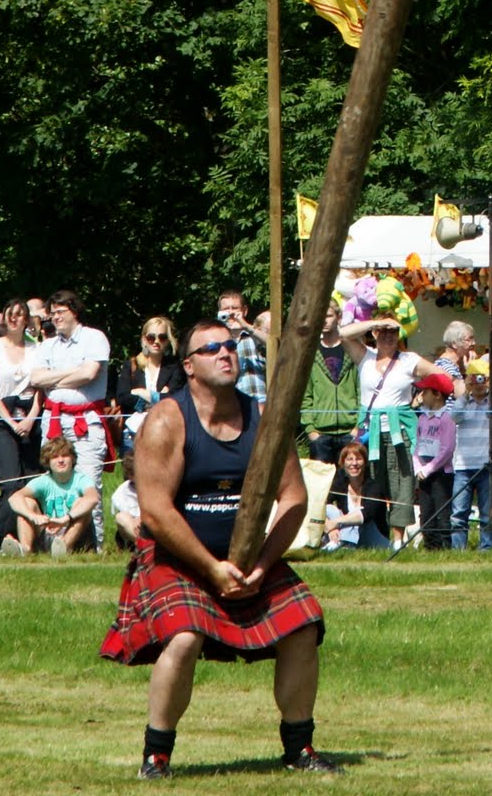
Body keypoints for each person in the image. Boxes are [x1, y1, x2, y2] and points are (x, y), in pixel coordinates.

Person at [99, 319, 330, 778]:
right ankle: (156, 756)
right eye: (211, 349)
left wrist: (261, 565)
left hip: (246, 562)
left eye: (230, 346)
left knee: (304, 624)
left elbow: (295, 498)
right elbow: (156, 512)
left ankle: (299, 750)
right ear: (188, 366)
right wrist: (211, 566)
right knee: (184, 636)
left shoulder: (264, 417)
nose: (226, 353)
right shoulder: (168, 419)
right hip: (179, 559)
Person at [336, 314, 442, 546]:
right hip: (368, 432)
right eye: (383, 331)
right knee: (370, 482)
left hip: (399, 431)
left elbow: (439, 375)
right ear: (374, 333)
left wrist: (423, 397)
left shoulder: (408, 359)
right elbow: (342, 333)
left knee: (402, 483)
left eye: (393, 331)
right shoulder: (365, 355)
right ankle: (371, 535)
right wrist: (375, 323)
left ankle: (397, 540)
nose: (387, 336)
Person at [29, 290, 111, 550]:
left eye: (60, 312)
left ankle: (95, 548)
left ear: (74, 311)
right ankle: (55, 545)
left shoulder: (94, 338)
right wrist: (69, 374)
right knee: (53, 486)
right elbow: (36, 379)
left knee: (88, 483)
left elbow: (89, 374)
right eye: (52, 314)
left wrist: (54, 377)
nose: (55, 318)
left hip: (85, 423)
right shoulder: (48, 345)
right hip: (53, 421)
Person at [448, 358, 492, 551]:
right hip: (464, 465)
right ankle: (458, 550)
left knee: (488, 513)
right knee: (459, 512)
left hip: (488, 465)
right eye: (475, 379)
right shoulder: (463, 403)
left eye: (483, 378)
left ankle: (486, 548)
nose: (479, 383)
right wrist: (466, 391)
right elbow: (454, 416)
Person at [0, 296, 41, 493]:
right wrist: (12, 423)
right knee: (11, 483)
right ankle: (3, 524)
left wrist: (30, 419)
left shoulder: (37, 348)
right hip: (3, 420)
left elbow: (42, 387)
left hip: (32, 418)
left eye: (19, 315)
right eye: (10, 314)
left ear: (26, 320)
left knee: (34, 481)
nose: (14, 319)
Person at [2, 436, 99, 556]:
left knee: (81, 503)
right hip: (48, 531)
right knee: (27, 502)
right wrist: (33, 516)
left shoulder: (82, 480)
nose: (61, 460)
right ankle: (25, 550)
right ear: (47, 462)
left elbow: (93, 498)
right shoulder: (44, 481)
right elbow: (14, 498)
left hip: (75, 533)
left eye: (65, 456)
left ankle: (64, 548)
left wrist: (66, 519)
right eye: (55, 457)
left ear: (73, 459)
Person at [300, 299, 360, 483]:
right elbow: (305, 394)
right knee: (320, 488)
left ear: (338, 317)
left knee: (349, 485)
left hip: (349, 430)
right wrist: (311, 430)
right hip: (321, 432)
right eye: (320, 317)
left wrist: (357, 426)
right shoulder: (311, 352)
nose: (324, 321)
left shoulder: (351, 350)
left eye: (328, 316)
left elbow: (361, 390)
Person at [115, 317, 182, 454]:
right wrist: (156, 399)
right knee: (133, 476)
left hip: (165, 432)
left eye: (162, 337)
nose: (156, 342)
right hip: (132, 434)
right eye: (151, 337)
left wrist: (144, 393)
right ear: (144, 339)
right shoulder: (131, 365)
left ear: (168, 341)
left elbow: (176, 398)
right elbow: (122, 397)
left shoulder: (175, 367)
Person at [412, 371, 455, 550]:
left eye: (426, 392)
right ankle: (430, 546)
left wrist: (429, 468)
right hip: (423, 470)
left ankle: (444, 548)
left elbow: (447, 449)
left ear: (437, 395)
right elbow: (417, 445)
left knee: (442, 513)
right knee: (426, 512)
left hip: (441, 473)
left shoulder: (447, 419)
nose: (422, 396)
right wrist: (417, 466)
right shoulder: (422, 417)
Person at [323, 440, 389, 550]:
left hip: (373, 535)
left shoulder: (374, 487)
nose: (354, 463)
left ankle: (343, 545)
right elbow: (320, 505)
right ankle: (340, 543)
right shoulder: (339, 484)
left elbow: (365, 516)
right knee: (329, 508)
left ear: (365, 462)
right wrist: (331, 527)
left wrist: (336, 522)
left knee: (354, 517)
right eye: (349, 459)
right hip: (348, 531)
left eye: (358, 459)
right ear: (343, 463)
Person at [217, 288, 267, 404]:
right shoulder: (217, 339)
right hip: (230, 405)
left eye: (234, 308)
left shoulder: (254, 336)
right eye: (226, 309)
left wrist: (246, 326)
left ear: (244, 311)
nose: (230, 313)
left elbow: (275, 344)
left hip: (259, 402)